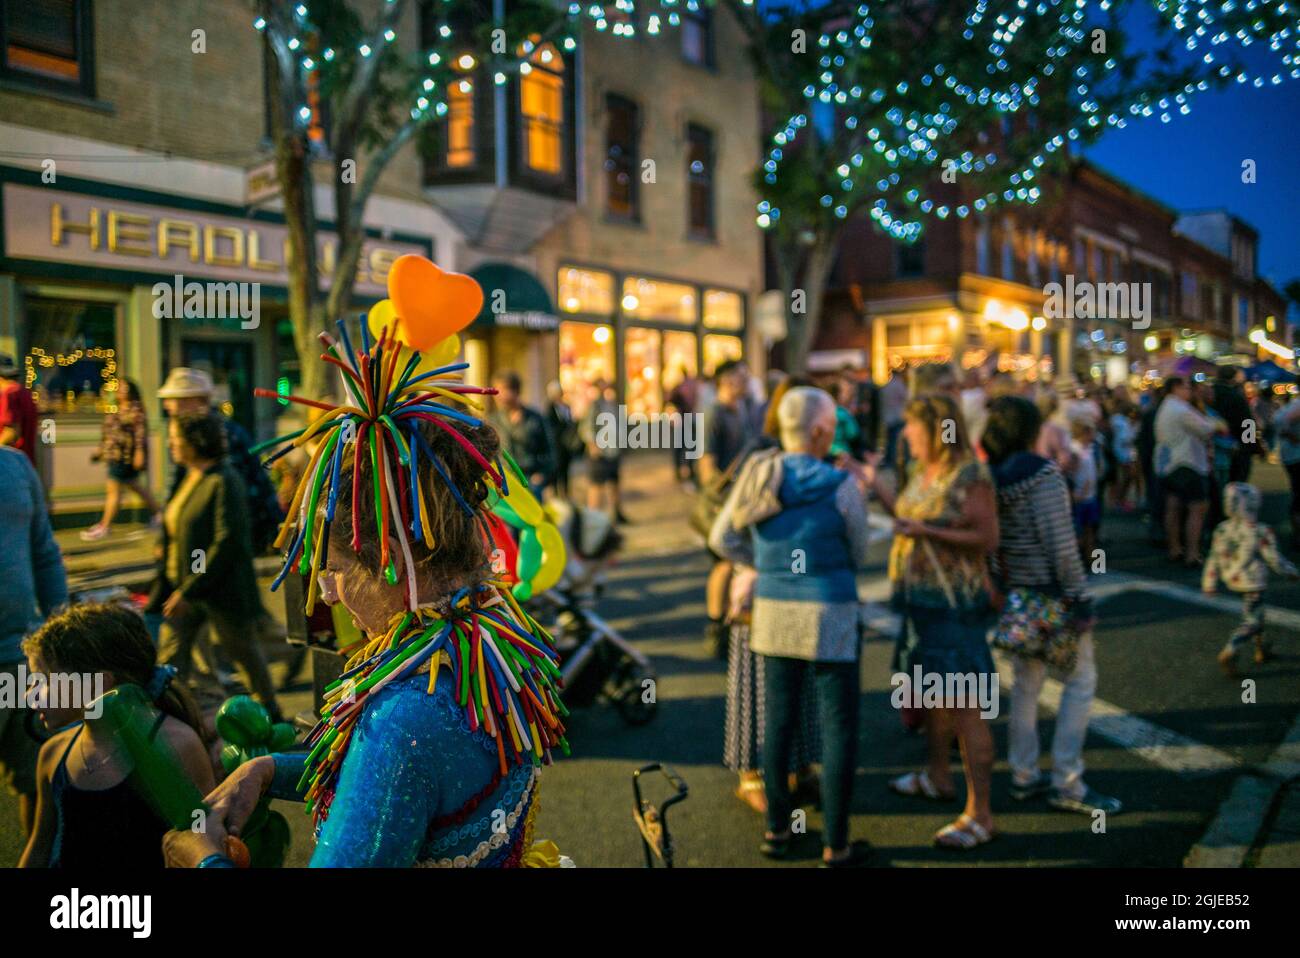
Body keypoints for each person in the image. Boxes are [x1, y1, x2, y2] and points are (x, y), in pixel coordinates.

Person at [160, 319, 567, 868]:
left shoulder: (402, 719)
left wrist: (203, 861)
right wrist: (267, 770)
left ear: (392, 563)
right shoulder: (499, 632)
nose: (325, 595)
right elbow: (398, 791)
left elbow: (397, 768)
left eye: (332, 569)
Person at [711, 386, 871, 866]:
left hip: (774, 611)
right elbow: (858, 550)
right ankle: (836, 844)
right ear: (821, 431)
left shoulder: (760, 474)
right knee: (839, 726)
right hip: (832, 613)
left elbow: (723, 537)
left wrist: (764, 560)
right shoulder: (840, 485)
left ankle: (778, 830)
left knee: (778, 721)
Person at [981, 396, 1122, 817]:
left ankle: (1024, 775)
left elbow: (989, 544)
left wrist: (1001, 585)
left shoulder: (990, 477)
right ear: (1031, 430)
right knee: (1080, 682)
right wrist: (1079, 600)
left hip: (1017, 596)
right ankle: (1068, 781)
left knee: (1025, 686)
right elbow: (1063, 548)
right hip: (1052, 595)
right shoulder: (1043, 477)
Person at [871, 394, 1000, 849]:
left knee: (966, 707)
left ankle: (980, 813)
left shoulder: (969, 474)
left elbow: (986, 537)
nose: (906, 435)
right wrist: (876, 485)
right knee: (933, 699)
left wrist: (929, 532)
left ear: (938, 429)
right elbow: (910, 519)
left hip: (953, 607)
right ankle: (938, 777)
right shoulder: (924, 472)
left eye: (913, 428)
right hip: (919, 605)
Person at [18, 603, 214, 868]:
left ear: (99, 683)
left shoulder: (177, 745)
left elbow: (206, 843)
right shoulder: (53, 753)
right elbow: (39, 848)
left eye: (44, 680)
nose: (29, 693)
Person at [717, 376, 820, 816]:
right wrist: (764, 561)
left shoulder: (814, 460)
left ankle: (796, 767)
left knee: (797, 680)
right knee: (757, 684)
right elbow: (725, 535)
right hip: (761, 592)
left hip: (797, 593)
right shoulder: (765, 457)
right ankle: (752, 776)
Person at [149, 413, 281, 719]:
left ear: (195, 443)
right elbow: (186, 527)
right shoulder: (190, 477)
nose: (171, 444)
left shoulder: (224, 480)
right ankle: (168, 719)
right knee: (172, 656)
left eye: (176, 439)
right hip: (190, 587)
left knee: (244, 653)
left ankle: (271, 713)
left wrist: (192, 583)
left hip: (219, 589)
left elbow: (227, 540)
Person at [0, 446, 68, 837]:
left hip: (23, 660)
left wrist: (61, 632)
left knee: (38, 779)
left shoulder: (16, 465)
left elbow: (44, 553)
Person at [157, 368, 284, 554]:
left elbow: (228, 524)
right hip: (199, 539)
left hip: (215, 541)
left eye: (175, 399)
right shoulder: (186, 438)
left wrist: (198, 576)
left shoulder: (223, 439)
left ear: (196, 401)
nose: (168, 406)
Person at [1203, 482, 1299, 676]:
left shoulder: (1222, 529)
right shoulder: (1260, 530)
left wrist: (1209, 582)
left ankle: (1261, 649)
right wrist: (1291, 571)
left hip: (1232, 579)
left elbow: (1213, 558)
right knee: (1252, 620)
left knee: (1257, 613)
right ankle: (1232, 647)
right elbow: (1274, 559)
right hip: (1253, 582)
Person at [698, 360, 754, 659]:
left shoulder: (742, 410)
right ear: (726, 380)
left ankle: (731, 623)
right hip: (722, 502)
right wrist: (722, 497)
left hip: (740, 501)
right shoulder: (713, 414)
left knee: (735, 563)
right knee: (723, 563)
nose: (746, 381)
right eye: (741, 376)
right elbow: (705, 466)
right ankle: (715, 626)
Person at [1155, 376, 1226, 566]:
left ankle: (1175, 548)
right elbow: (1205, 429)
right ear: (1176, 388)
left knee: (1173, 507)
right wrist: (1218, 424)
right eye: (1187, 387)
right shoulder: (1180, 409)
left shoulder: (1165, 408)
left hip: (1169, 464)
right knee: (1198, 507)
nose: (1190, 391)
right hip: (1188, 463)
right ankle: (1192, 553)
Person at [82, 377, 162, 540]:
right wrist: (100, 450)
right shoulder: (116, 408)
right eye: (118, 388)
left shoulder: (135, 409)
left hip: (125, 456)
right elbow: (108, 433)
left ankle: (105, 525)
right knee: (135, 486)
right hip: (114, 454)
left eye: (123, 388)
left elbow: (140, 433)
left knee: (113, 491)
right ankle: (159, 514)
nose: (120, 391)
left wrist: (139, 453)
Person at [489, 370, 556, 497]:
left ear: (515, 391)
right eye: (495, 390)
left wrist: (542, 476)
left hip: (530, 483)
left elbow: (550, 452)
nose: (497, 395)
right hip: (503, 485)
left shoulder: (535, 419)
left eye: (502, 390)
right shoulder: (493, 421)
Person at [579, 378, 626, 522]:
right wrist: (593, 445)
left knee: (614, 482)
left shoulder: (611, 403)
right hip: (600, 452)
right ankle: (593, 519)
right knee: (596, 486)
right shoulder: (595, 405)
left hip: (612, 450)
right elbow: (586, 428)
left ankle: (617, 514)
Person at [1212, 366, 1255, 484]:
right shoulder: (1236, 395)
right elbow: (1247, 422)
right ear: (1234, 378)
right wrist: (1249, 445)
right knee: (1237, 482)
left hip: (1214, 442)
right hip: (1237, 444)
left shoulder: (1211, 393)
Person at [1069, 418, 1101, 561]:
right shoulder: (1075, 449)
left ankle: (1090, 553)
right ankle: (1080, 556)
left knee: (1090, 526)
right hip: (1081, 495)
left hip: (1090, 495)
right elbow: (1072, 471)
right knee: (1079, 528)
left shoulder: (1089, 448)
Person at [0, 354, 38, 466]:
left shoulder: (8, 394)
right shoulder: (25, 393)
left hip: (10, 466)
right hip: (26, 464)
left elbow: (11, 433)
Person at [544, 380, 579, 499]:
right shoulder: (549, 409)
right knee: (555, 472)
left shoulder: (566, 407)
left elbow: (571, 423)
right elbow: (550, 428)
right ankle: (555, 495)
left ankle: (565, 494)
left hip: (566, 446)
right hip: (555, 446)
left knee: (565, 472)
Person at [1275, 379, 1300, 549]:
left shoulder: (1291, 404)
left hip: (1290, 455)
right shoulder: (1296, 406)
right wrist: (1291, 435)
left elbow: (1278, 420)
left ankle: (1296, 532)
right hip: (1296, 454)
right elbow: (1283, 422)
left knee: (1297, 493)